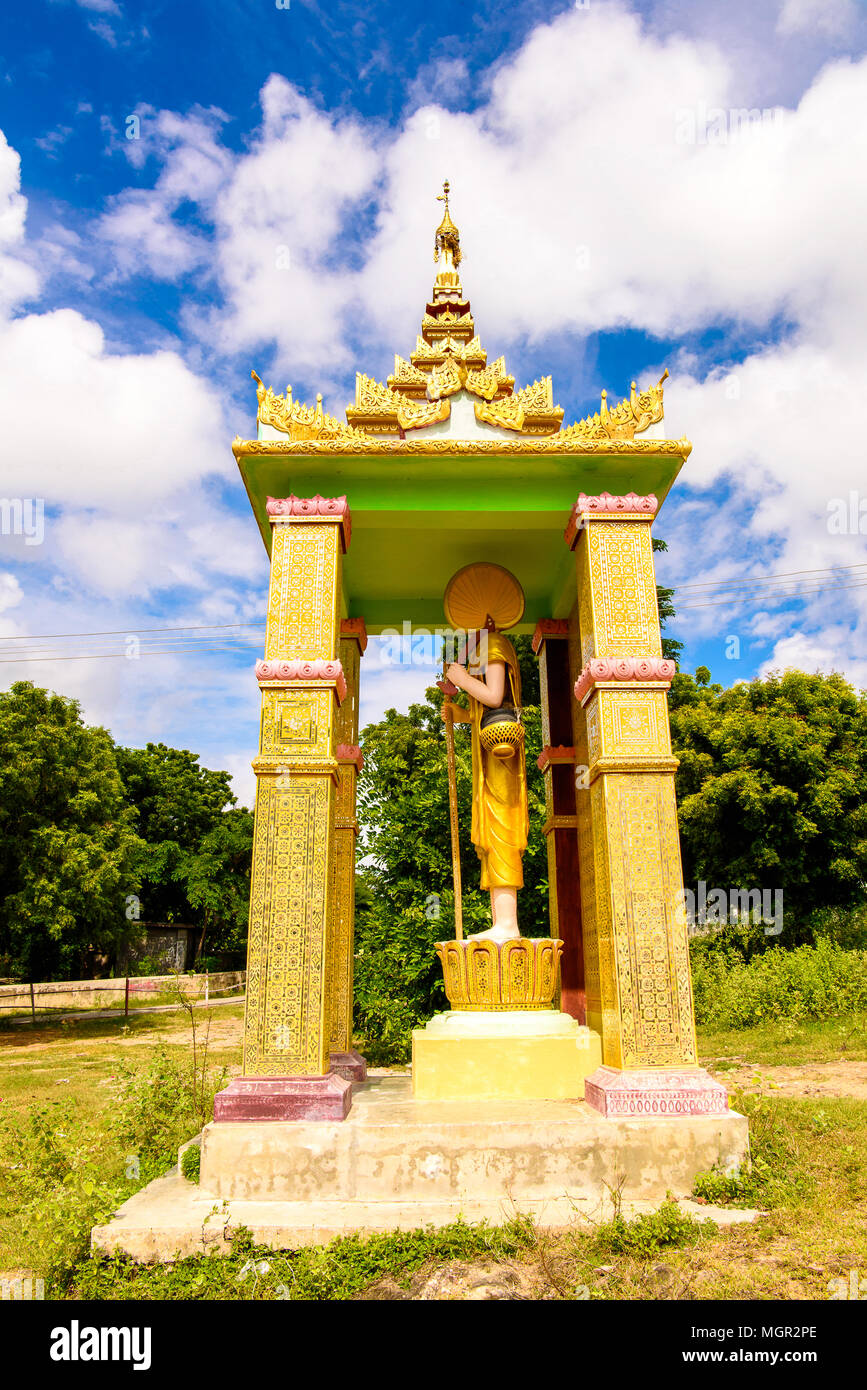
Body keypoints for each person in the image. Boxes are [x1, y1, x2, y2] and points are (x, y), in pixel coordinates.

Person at [441, 614, 529, 942]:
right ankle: (501, 921)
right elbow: (486, 707)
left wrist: (462, 678)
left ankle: (508, 924)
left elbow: (494, 697)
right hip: (490, 755)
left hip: (501, 755)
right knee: (492, 834)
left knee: (501, 828)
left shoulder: (492, 645)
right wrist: (461, 715)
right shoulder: (483, 650)